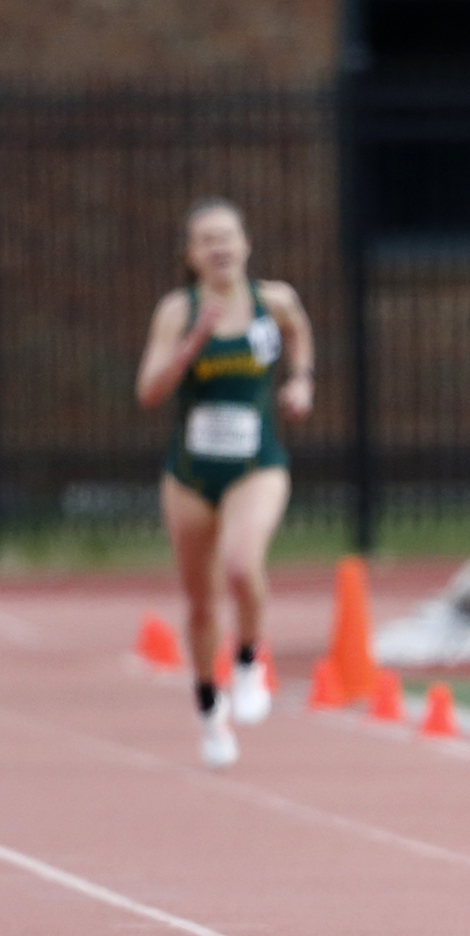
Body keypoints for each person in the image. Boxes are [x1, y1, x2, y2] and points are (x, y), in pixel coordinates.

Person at [136, 198, 315, 769]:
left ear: (245, 245)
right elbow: (149, 392)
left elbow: (299, 331)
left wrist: (301, 381)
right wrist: (191, 345)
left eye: (227, 237)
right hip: (191, 475)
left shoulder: (273, 301)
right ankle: (210, 709)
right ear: (191, 255)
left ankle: (248, 659)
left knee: (241, 563)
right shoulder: (178, 310)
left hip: (257, 464)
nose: (219, 248)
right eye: (207, 240)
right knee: (199, 602)